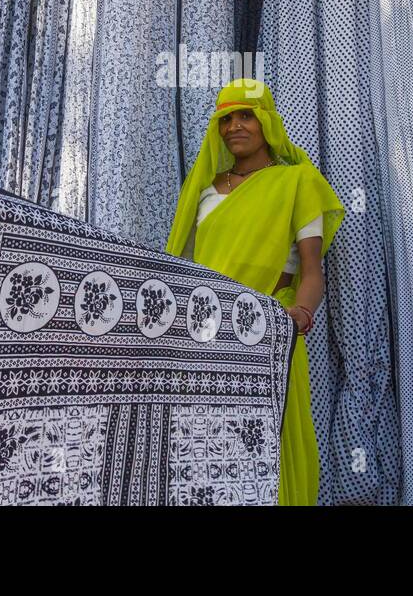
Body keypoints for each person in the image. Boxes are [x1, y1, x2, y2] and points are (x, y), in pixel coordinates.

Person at [166, 77, 344, 505]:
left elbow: (311, 269)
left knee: (267, 436)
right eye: (226, 119)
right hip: (206, 334)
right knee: (209, 442)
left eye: (246, 115)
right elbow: (183, 267)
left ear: (266, 121)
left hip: (270, 327)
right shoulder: (205, 190)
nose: (235, 127)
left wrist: (301, 313)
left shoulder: (297, 181)